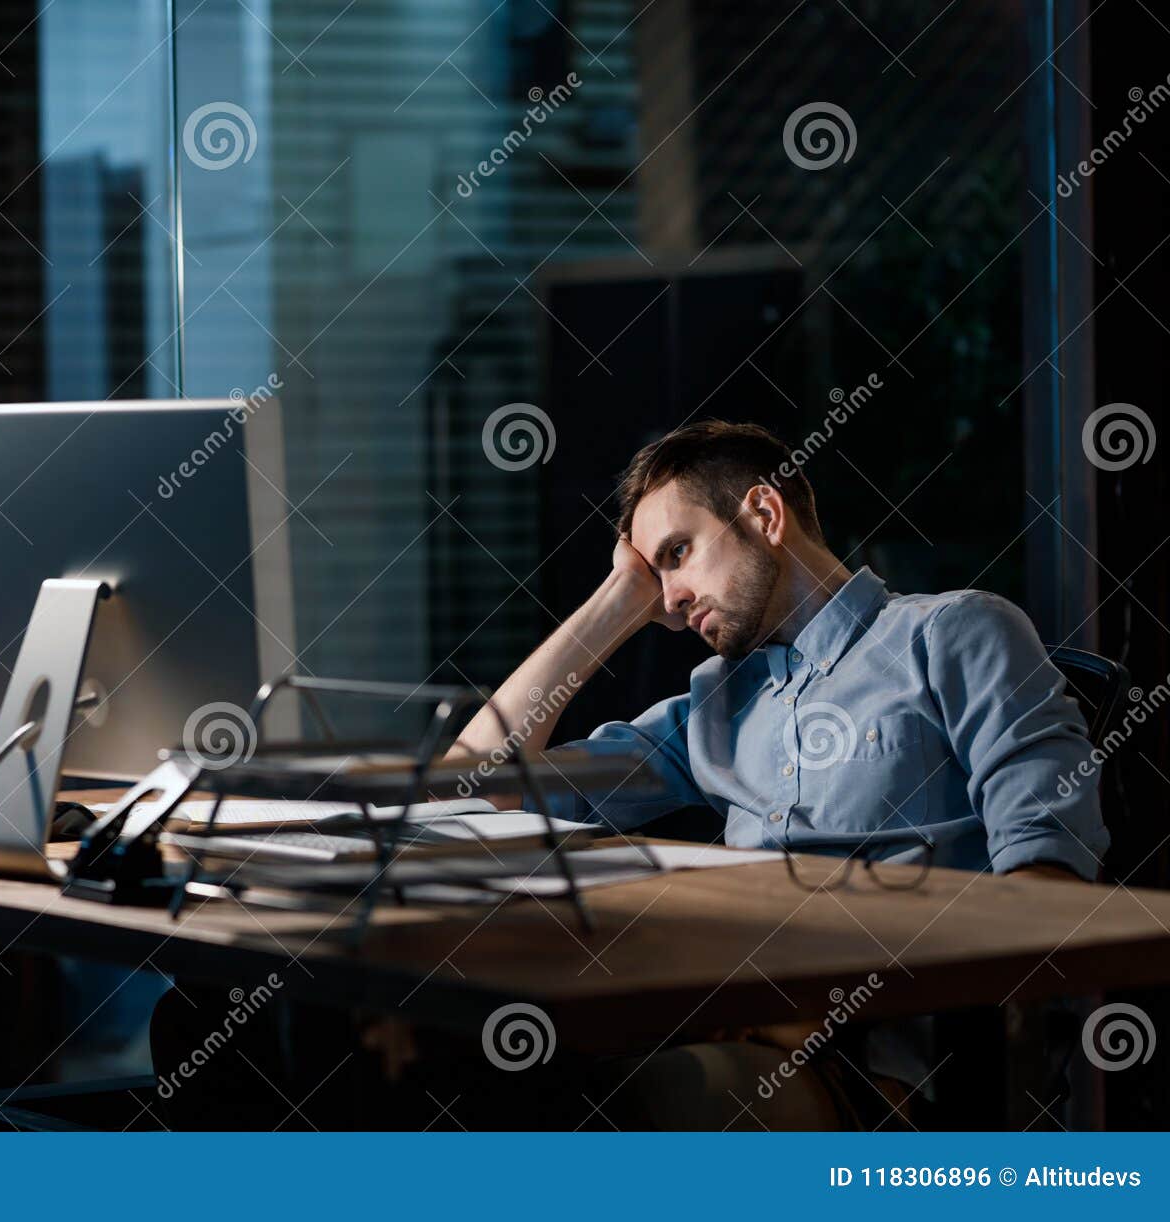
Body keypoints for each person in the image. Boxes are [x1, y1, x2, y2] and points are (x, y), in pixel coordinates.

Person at [443, 418, 1109, 1127]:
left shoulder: (953, 633)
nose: (667, 600)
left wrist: (814, 1009)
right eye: (652, 575)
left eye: (677, 553)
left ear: (764, 514)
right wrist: (615, 603)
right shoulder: (714, 707)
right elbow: (475, 786)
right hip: (727, 1016)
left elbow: (1049, 889)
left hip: (884, 1069)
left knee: (618, 1109)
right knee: (477, 1070)